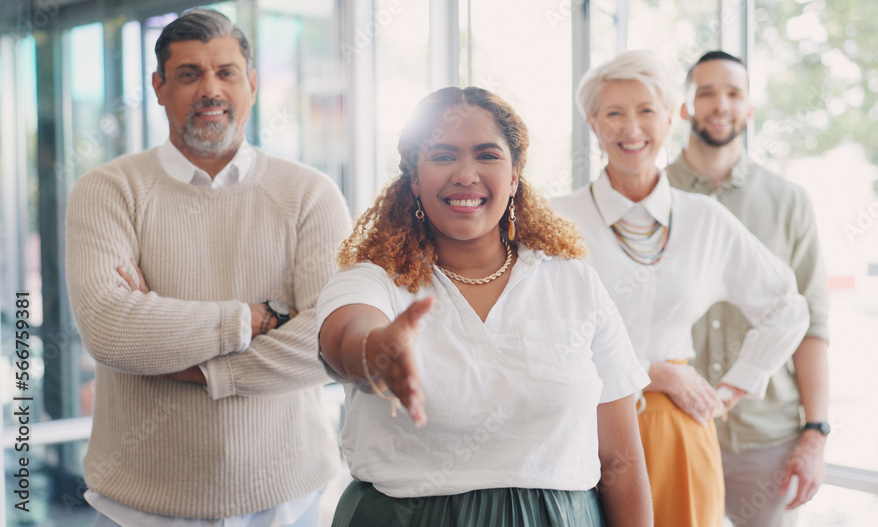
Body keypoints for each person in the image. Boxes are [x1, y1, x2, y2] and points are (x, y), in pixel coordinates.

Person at [316, 86, 653, 527]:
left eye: (488, 155)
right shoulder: (374, 278)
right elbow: (346, 334)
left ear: (514, 175)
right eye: (442, 156)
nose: (465, 174)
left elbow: (622, 461)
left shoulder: (572, 280)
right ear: (414, 178)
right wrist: (377, 352)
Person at [65, 8, 351, 526]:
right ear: (158, 87)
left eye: (226, 73)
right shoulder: (107, 191)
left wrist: (192, 361)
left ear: (253, 85)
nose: (209, 90)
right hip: (139, 504)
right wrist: (259, 317)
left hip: (289, 498)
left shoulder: (310, 194)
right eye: (189, 74)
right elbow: (111, 332)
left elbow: (325, 344)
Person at [551, 50, 809, 527]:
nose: (632, 128)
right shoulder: (557, 220)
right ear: (593, 123)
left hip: (677, 429)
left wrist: (731, 390)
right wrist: (658, 372)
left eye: (647, 110)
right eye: (614, 113)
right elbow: (542, 334)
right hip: (580, 426)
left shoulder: (704, 219)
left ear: (670, 118)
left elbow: (787, 308)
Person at [668, 50, 830, 527]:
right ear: (685, 108)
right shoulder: (653, 196)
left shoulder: (790, 203)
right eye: (707, 92)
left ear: (749, 109)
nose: (721, 104)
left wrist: (815, 433)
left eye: (734, 93)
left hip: (770, 442)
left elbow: (813, 322)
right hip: (676, 431)